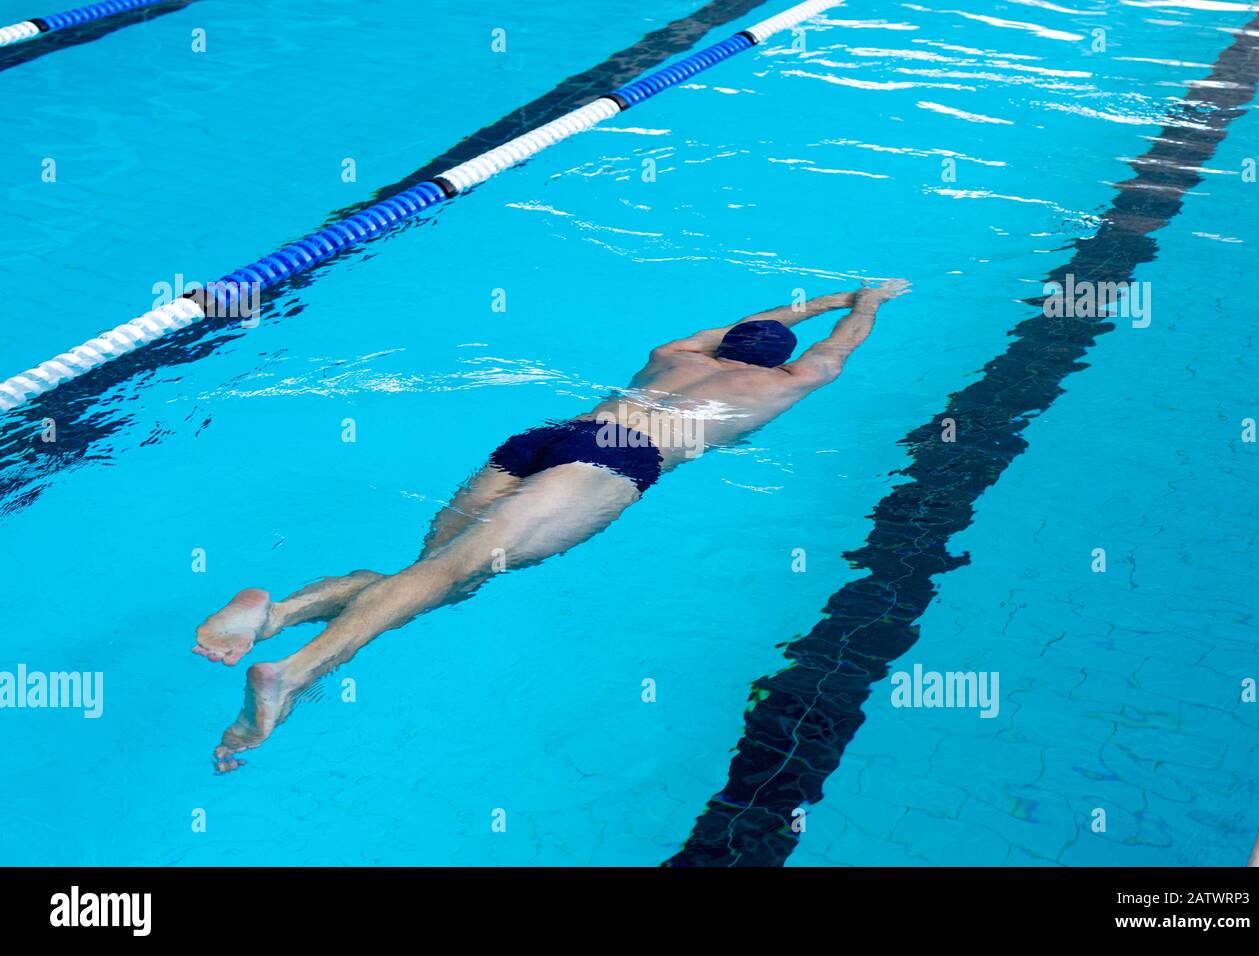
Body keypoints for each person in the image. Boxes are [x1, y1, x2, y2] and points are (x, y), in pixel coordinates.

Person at [194, 279, 910, 771]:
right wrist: (867, 304)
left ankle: (278, 613)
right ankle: (291, 671)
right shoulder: (787, 381)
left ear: (726, 340)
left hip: (547, 437)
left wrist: (824, 297)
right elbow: (841, 344)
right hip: (617, 461)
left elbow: (756, 324)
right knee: (451, 575)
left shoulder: (674, 355)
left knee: (433, 573)